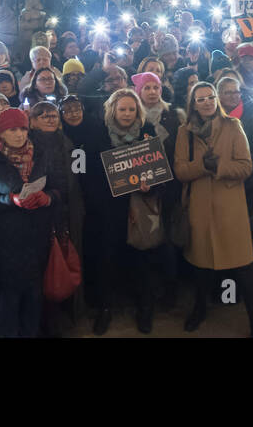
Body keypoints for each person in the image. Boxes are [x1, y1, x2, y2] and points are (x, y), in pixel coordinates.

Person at [174, 81, 253, 337]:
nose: (207, 102)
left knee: (243, 267)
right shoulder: (184, 132)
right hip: (199, 208)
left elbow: (246, 167)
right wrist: (203, 166)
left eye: (210, 97)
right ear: (193, 103)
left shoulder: (233, 126)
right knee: (201, 266)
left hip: (229, 208)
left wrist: (219, 167)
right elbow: (180, 171)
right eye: (200, 99)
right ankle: (200, 309)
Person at [0, 107, 67, 337]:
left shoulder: (41, 155)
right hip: (6, 243)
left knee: (35, 295)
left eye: (23, 129)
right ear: (1, 134)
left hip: (37, 238)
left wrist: (48, 198)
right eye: (13, 130)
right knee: (10, 296)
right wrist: (9, 200)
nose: (19, 134)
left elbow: (60, 187)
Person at [80, 88, 168, 335]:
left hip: (139, 206)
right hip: (109, 210)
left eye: (131, 109)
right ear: (112, 110)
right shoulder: (98, 134)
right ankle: (105, 309)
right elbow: (88, 175)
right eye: (122, 109)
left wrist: (149, 186)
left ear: (138, 111)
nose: (127, 114)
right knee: (107, 260)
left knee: (142, 260)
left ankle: (145, 308)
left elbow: (160, 172)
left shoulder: (148, 132)